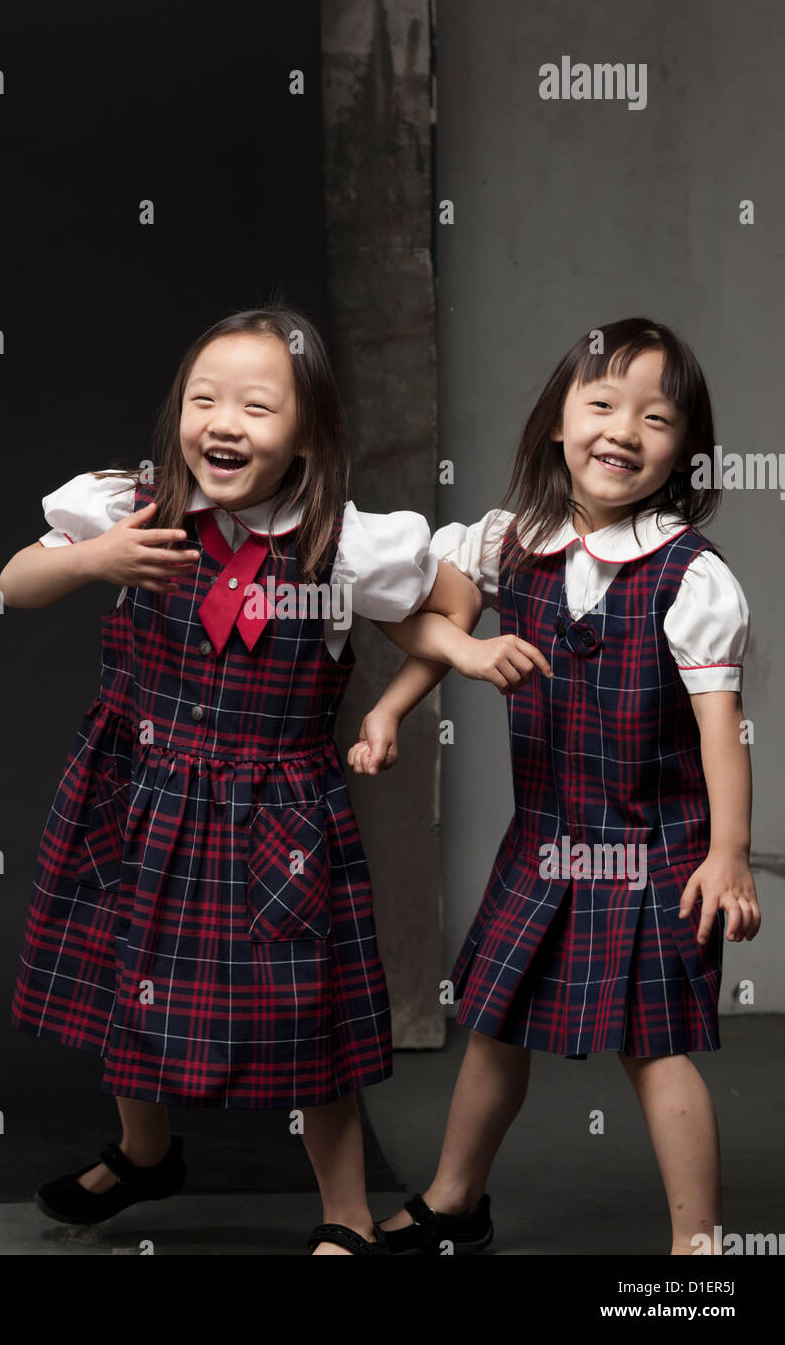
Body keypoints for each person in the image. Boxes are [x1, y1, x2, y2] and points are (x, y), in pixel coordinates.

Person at [0, 303, 477, 1255]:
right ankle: (146, 1151)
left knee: (306, 1019)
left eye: (258, 406)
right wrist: (94, 560)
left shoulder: (341, 545)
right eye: (204, 398)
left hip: (274, 817)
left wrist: (450, 658)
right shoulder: (128, 507)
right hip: (138, 791)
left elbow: (434, 605)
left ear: (308, 430)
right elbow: (14, 583)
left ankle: (346, 1214)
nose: (224, 422)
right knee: (123, 978)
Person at [348, 318, 760, 1257]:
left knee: (655, 1048)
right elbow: (443, 626)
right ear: (557, 422)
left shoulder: (689, 578)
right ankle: (456, 1202)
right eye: (603, 403)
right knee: (494, 1024)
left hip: (660, 852)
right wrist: (390, 711)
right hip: (545, 844)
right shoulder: (506, 541)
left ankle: (699, 1254)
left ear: (686, 449)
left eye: (657, 417)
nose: (625, 429)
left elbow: (721, 730)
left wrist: (729, 853)